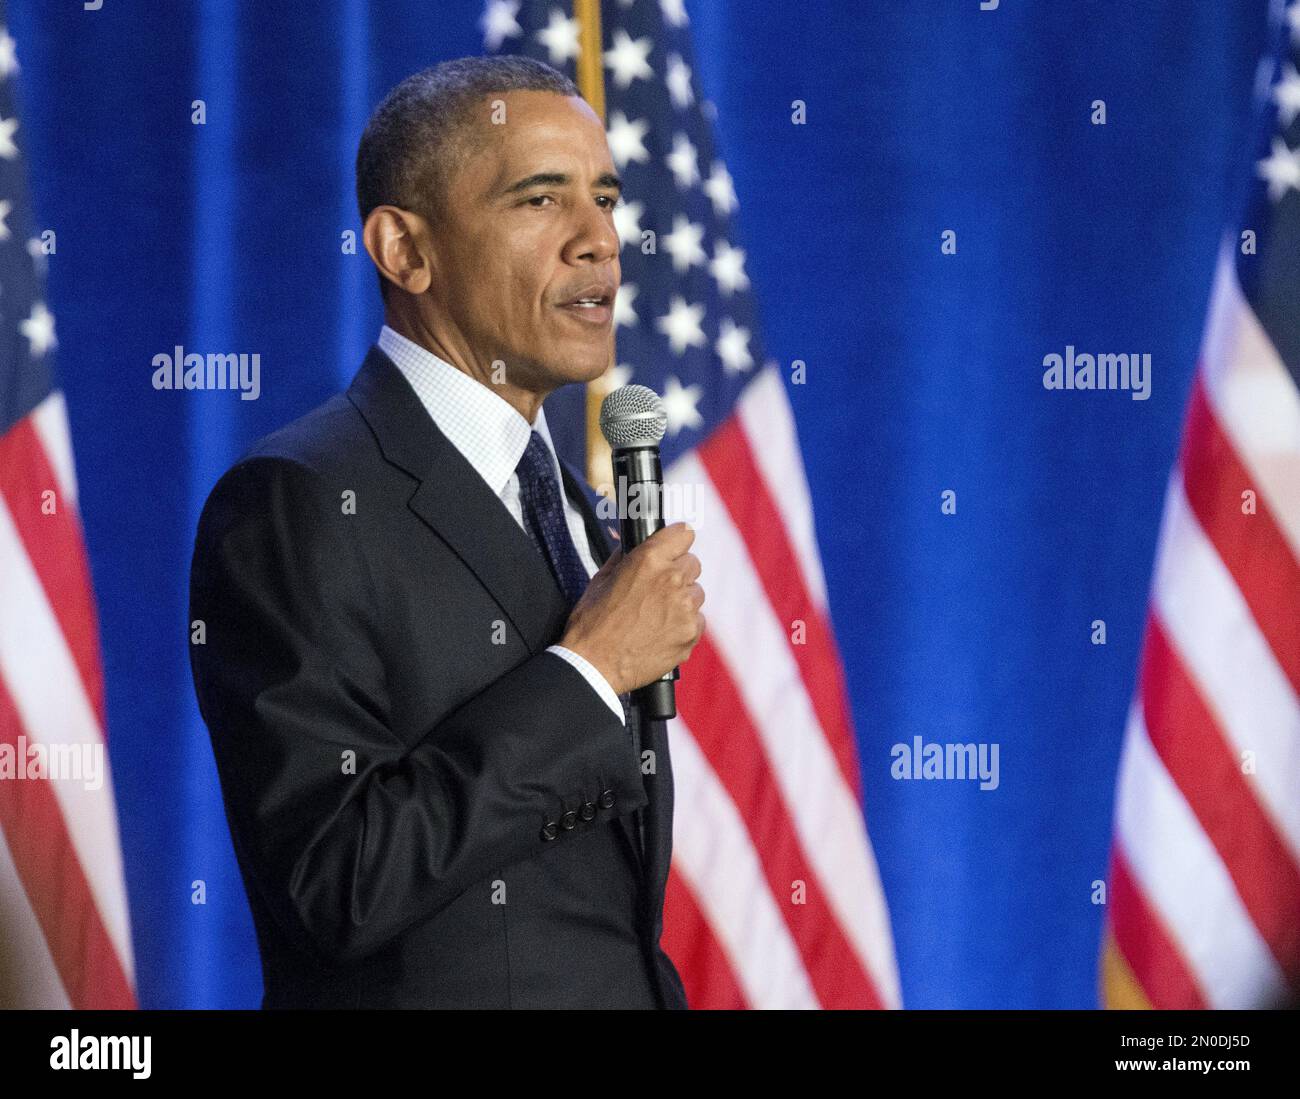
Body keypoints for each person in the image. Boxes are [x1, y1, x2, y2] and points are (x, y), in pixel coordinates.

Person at [188, 55, 705, 1009]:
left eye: (604, 196)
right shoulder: (295, 502)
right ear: (404, 251)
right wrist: (589, 672)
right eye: (541, 201)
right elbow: (334, 882)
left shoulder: (574, 510)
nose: (600, 241)